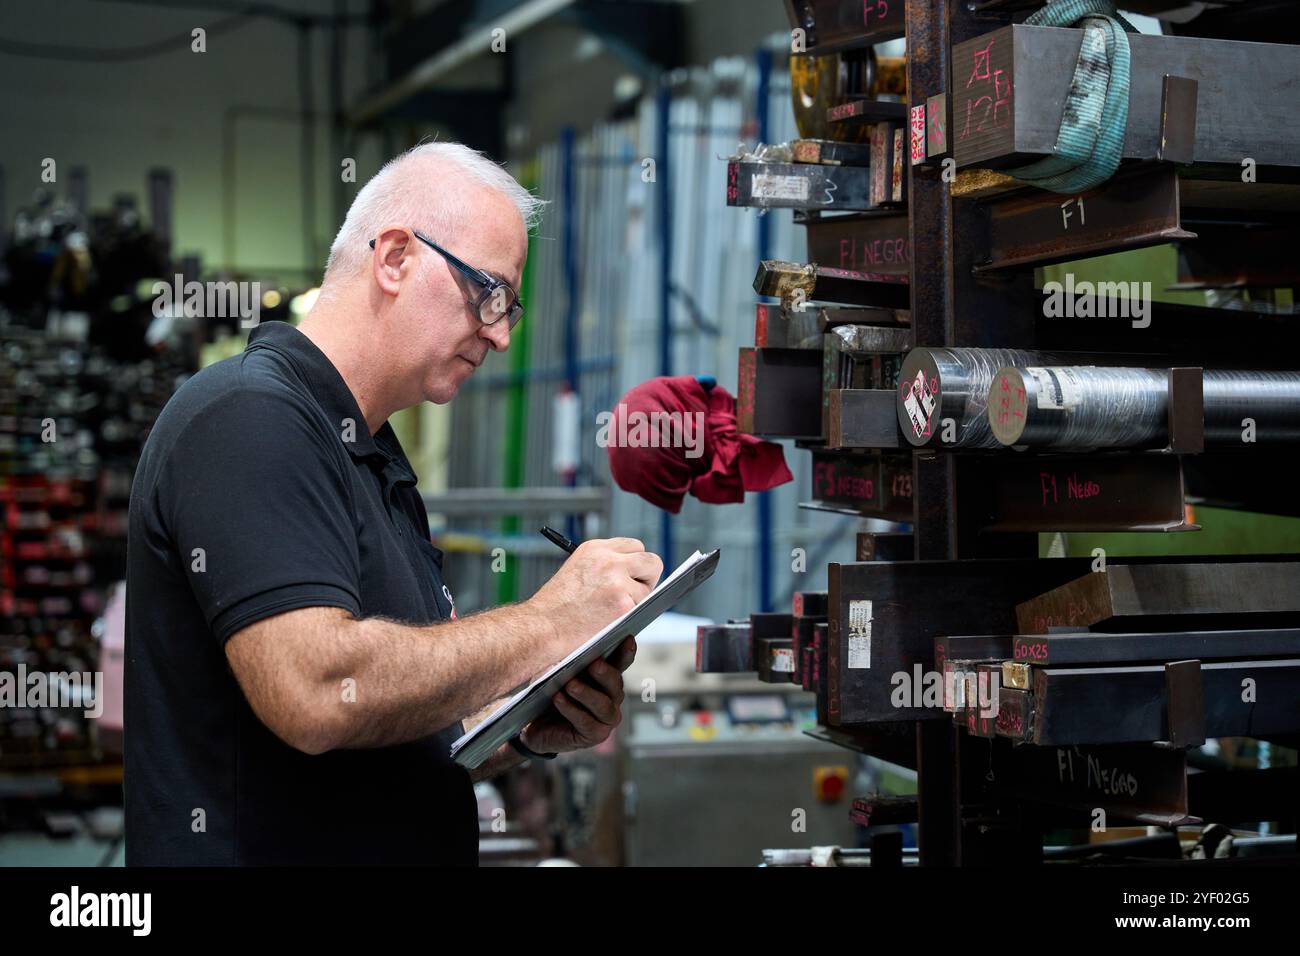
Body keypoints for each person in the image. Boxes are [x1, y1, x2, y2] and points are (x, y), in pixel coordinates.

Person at [124, 142, 663, 865]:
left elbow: (387, 713)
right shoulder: (248, 418)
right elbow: (317, 690)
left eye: (511, 306)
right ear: (396, 258)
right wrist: (550, 623)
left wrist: (523, 718)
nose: (501, 333)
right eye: (488, 293)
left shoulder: (371, 457)